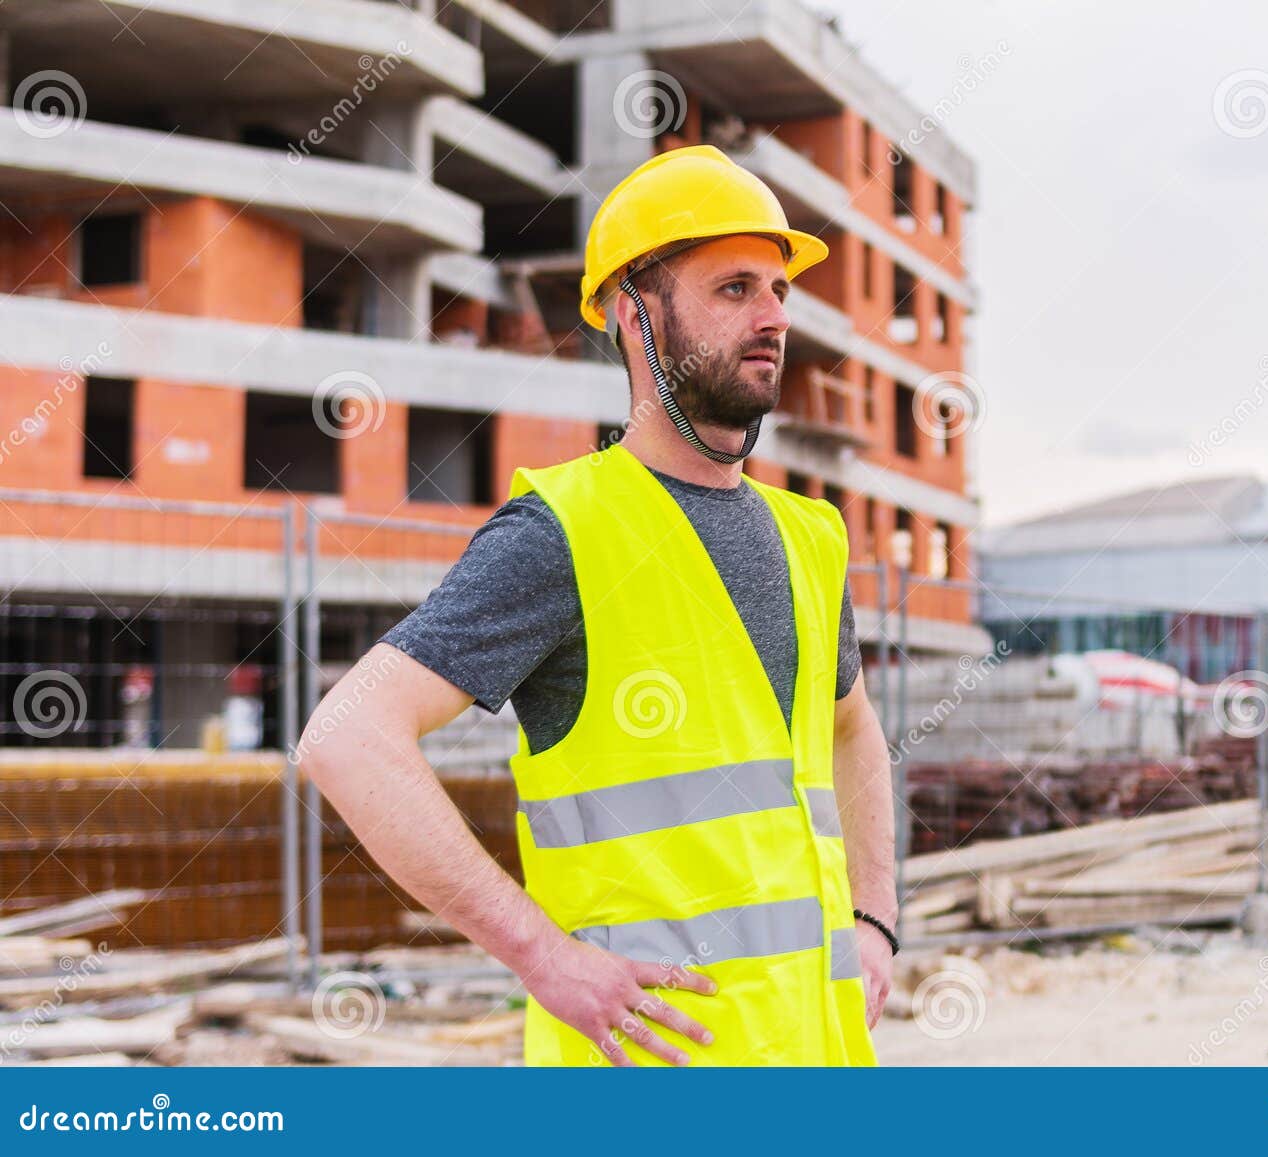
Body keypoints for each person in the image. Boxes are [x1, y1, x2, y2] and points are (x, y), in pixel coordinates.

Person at [296, 145, 897, 1067]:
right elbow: (345, 737)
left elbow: (853, 729)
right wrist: (543, 957)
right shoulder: (562, 534)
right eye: (734, 288)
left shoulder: (810, 537)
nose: (774, 316)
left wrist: (874, 917)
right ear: (635, 316)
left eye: (779, 290)